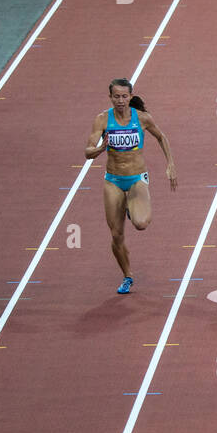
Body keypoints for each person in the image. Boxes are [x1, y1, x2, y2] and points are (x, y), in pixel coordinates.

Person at [84, 79, 177, 295]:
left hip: (136, 178)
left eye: (124, 96)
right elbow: (87, 152)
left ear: (130, 96)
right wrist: (101, 148)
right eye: (116, 96)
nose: (120, 100)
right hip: (113, 180)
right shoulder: (102, 119)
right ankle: (127, 276)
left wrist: (170, 164)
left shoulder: (142, 118)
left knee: (142, 223)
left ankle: (129, 206)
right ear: (110, 97)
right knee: (116, 235)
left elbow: (161, 137)